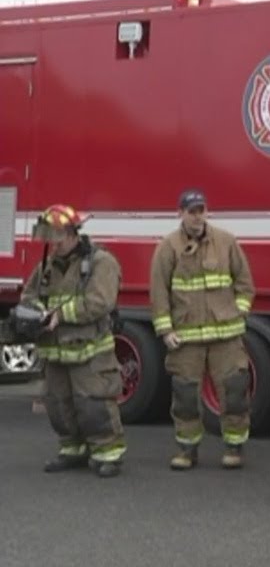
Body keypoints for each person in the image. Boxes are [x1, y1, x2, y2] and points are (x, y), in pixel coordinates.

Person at [149, 189, 256, 470]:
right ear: (180, 214)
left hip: (226, 336)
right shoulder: (168, 247)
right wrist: (165, 330)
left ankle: (234, 447)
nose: (197, 216)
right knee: (185, 395)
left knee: (234, 391)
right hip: (186, 338)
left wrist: (239, 312)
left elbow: (245, 282)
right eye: (191, 211)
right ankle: (187, 450)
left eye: (201, 210)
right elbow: (158, 291)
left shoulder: (226, 242)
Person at [20, 204, 128, 477]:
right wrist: (34, 313)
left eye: (54, 237)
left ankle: (108, 454)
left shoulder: (102, 262)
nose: (50, 243)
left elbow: (100, 301)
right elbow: (28, 295)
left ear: (71, 234)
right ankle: (72, 450)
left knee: (94, 403)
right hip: (55, 352)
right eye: (46, 236)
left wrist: (60, 315)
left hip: (89, 352)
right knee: (58, 404)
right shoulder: (46, 265)